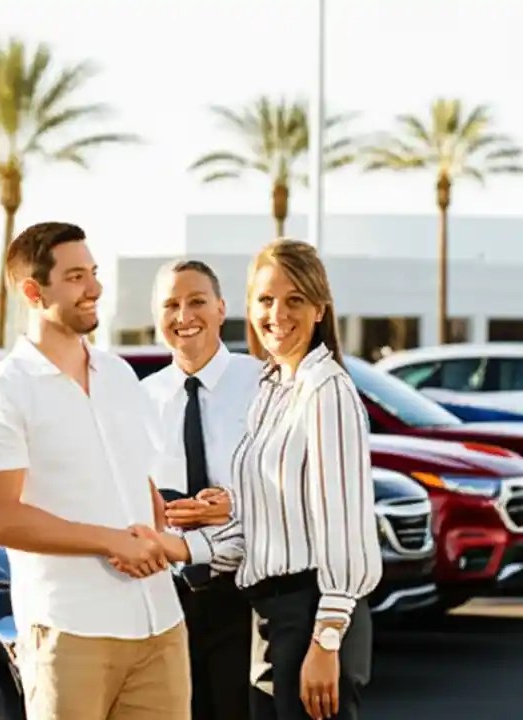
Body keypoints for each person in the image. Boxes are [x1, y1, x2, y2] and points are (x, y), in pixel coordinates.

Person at [141, 239, 383, 720]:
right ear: (249, 308)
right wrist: (181, 549)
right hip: (270, 616)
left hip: (311, 614)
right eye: (266, 300)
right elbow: (261, 520)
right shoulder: (277, 391)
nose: (278, 313)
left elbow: (346, 530)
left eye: (295, 300)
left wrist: (327, 641)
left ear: (319, 308)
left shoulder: (325, 390)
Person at [0, 221, 189, 720]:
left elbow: (139, 477)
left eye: (94, 273)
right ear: (32, 290)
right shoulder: (0, 396)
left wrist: (164, 529)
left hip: (161, 626)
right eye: (76, 277)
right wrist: (110, 541)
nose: (95, 289)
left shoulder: (121, 375)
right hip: (71, 633)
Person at [140, 259, 261, 720]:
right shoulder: (141, 398)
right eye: (171, 304)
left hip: (245, 591)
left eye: (196, 301)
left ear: (220, 309)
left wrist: (235, 504)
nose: (183, 315)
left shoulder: (261, 384)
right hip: (170, 598)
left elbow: (290, 485)